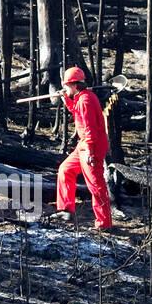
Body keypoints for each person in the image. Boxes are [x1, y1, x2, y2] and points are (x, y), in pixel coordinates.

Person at [51, 66, 113, 230]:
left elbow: (90, 129)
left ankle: (104, 223)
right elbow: (77, 111)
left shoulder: (86, 100)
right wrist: (67, 100)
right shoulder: (82, 97)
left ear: (74, 85)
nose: (65, 88)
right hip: (84, 145)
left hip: (91, 145)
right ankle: (66, 209)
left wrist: (91, 153)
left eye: (66, 86)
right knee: (65, 169)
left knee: (96, 185)